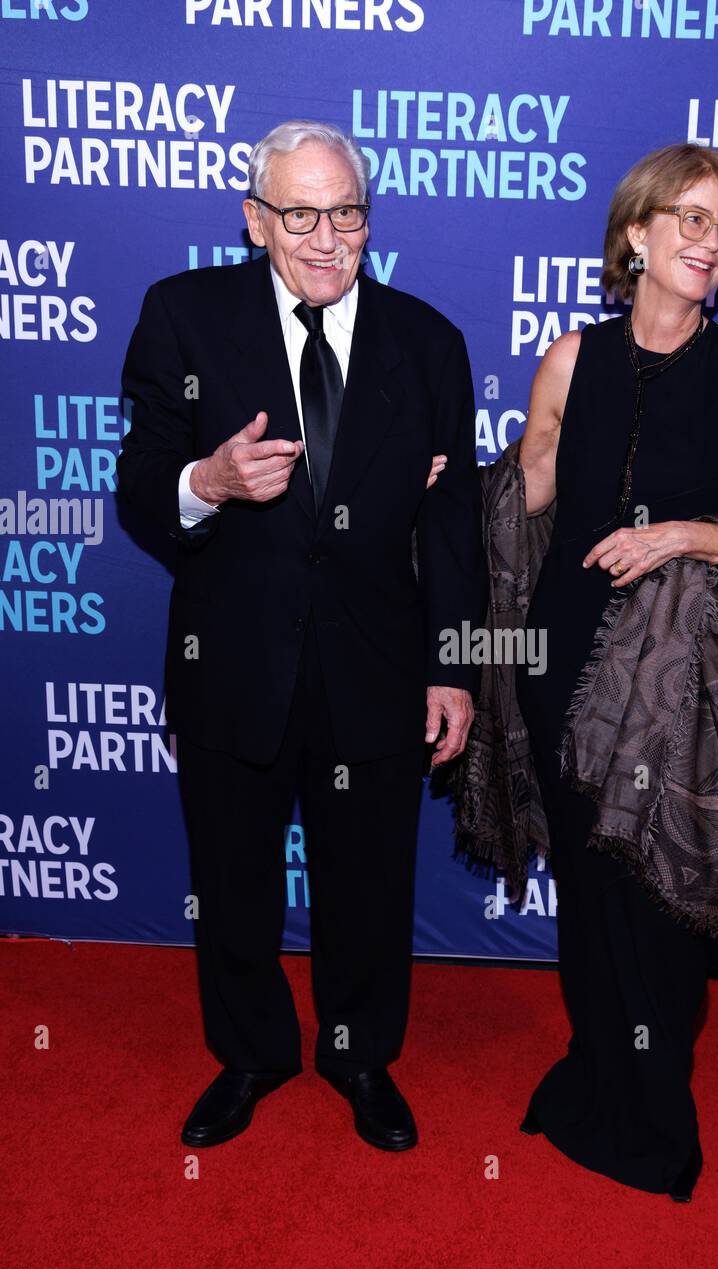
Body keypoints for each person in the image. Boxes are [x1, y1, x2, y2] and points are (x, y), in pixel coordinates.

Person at [116, 119, 486, 1151]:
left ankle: (361, 1054)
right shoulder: (184, 318)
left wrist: (454, 666)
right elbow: (142, 487)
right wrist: (210, 482)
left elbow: (451, 523)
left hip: (375, 664)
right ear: (254, 219)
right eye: (300, 214)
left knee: (368, 882)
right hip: (231, 660)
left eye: (348, 213)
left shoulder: (429, 342)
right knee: (231, 876)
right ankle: (251, 1053)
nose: (327, 238)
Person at [510, 144, 718, 1199]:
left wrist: (689, 533)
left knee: (668, 892)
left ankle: (653, 1107)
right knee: (591, 889)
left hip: (684, 678)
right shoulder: (569, 357)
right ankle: (597, 1073)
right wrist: (439, 481)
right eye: (690, 219)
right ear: (635, 232)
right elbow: (529, 489)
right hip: (566, 655)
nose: (709, 244)